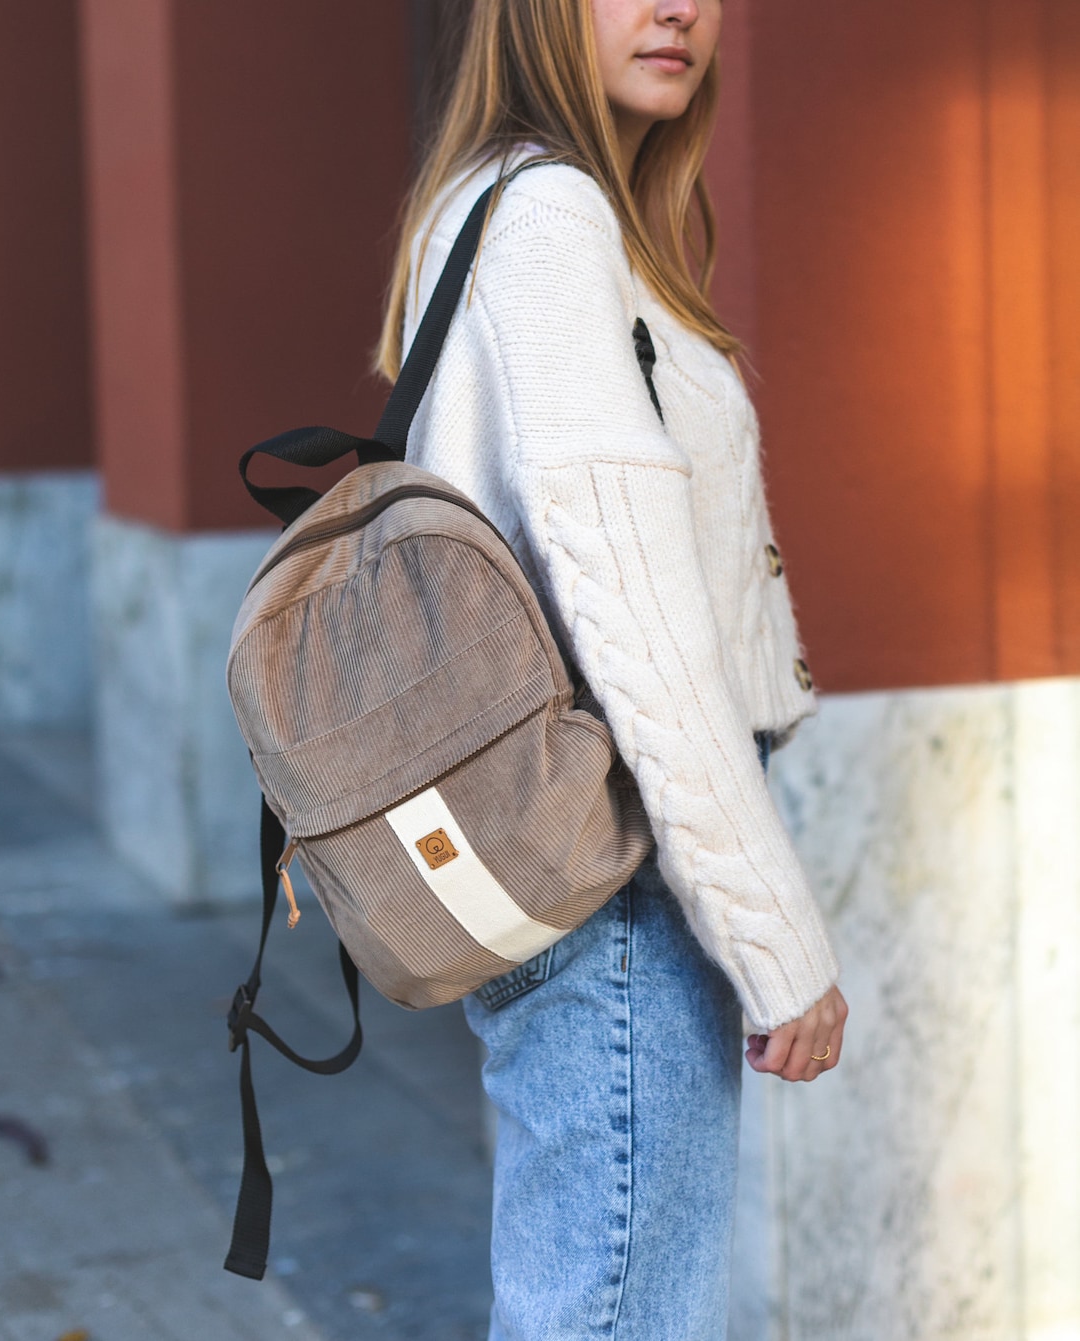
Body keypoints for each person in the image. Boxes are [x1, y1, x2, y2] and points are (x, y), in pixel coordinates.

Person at [376, 2, 848, 1337]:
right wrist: (777, 940)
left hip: (567, 856)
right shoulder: (549, 220)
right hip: (622, 871)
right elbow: (634, 622)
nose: (678, 7)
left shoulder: (485, 204)